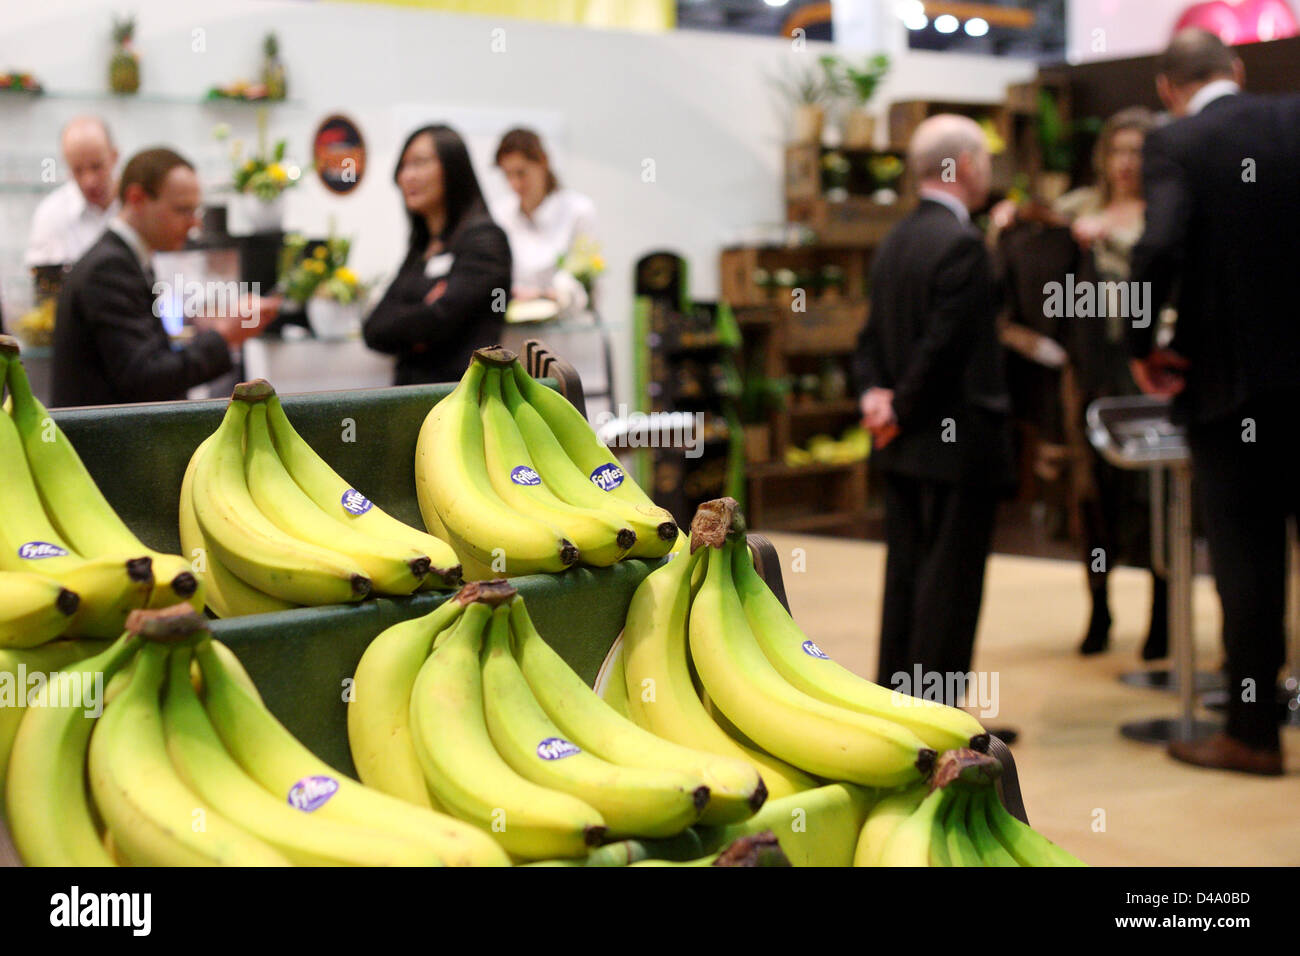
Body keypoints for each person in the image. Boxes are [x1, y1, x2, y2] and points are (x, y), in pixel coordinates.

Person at [1128, 29, 1300, 775]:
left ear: (1169, 87)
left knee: (1248, 565)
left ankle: (1252, 735)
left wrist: (1141, 345)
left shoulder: (1176, 142)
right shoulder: (1293, 120)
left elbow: (1157, 246)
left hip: (1232, 394)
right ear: (1237, 68)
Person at [852, 114, 1014, 716]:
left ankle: (897, 707)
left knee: (907, 578)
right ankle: (939, 720)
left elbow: (869, 339)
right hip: (956, 443)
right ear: (965, 165)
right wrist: (902, 402)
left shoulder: (895, 239)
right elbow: (944, 349)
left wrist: (876, 398)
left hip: (900, 442)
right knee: (950, 586)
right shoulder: (963, 245)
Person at [1058, 108, 1169, 660]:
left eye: (1138, 150)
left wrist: (1116, 238)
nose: (1126, 162)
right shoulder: (1081, 206)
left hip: (1146, 370)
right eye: (1118, 150)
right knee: (1091, 495)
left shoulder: (1164, 212)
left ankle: (1162, 612)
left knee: (1153, 495)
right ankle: (1099, 608)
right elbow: (1037, 228)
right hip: (1088, 371)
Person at [51, 148, 272, 407]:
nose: (194, 224)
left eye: (195, 211)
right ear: (137, 198)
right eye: (182, 210)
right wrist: (224, 336)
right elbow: (144, 378)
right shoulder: (109, 268)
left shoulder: (124, 260)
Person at [363, 125, 512, 385]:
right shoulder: (421, 247)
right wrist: (424, 313)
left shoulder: (485, 239)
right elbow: (374, 328)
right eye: (403, 166)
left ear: (453, 168)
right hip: (410, 402)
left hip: (462, 405)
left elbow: (439, 323)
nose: (406, 176)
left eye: (419, 163)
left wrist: (418, 321)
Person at [492, 128, 598, 317]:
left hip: (566, 331)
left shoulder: (578, 211)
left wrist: (549, 294)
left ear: (543, 163)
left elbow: (587, 284)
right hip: (514, 332)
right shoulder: (499, 213)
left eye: (521, 173)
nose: (515, 184)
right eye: (508, 175)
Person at [25, 116, 120, 268]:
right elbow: (44, 285)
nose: (89, 181)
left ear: (114, 156)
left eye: (96, 167)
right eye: (78, 170)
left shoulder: (137, 205)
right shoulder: (51, 214)